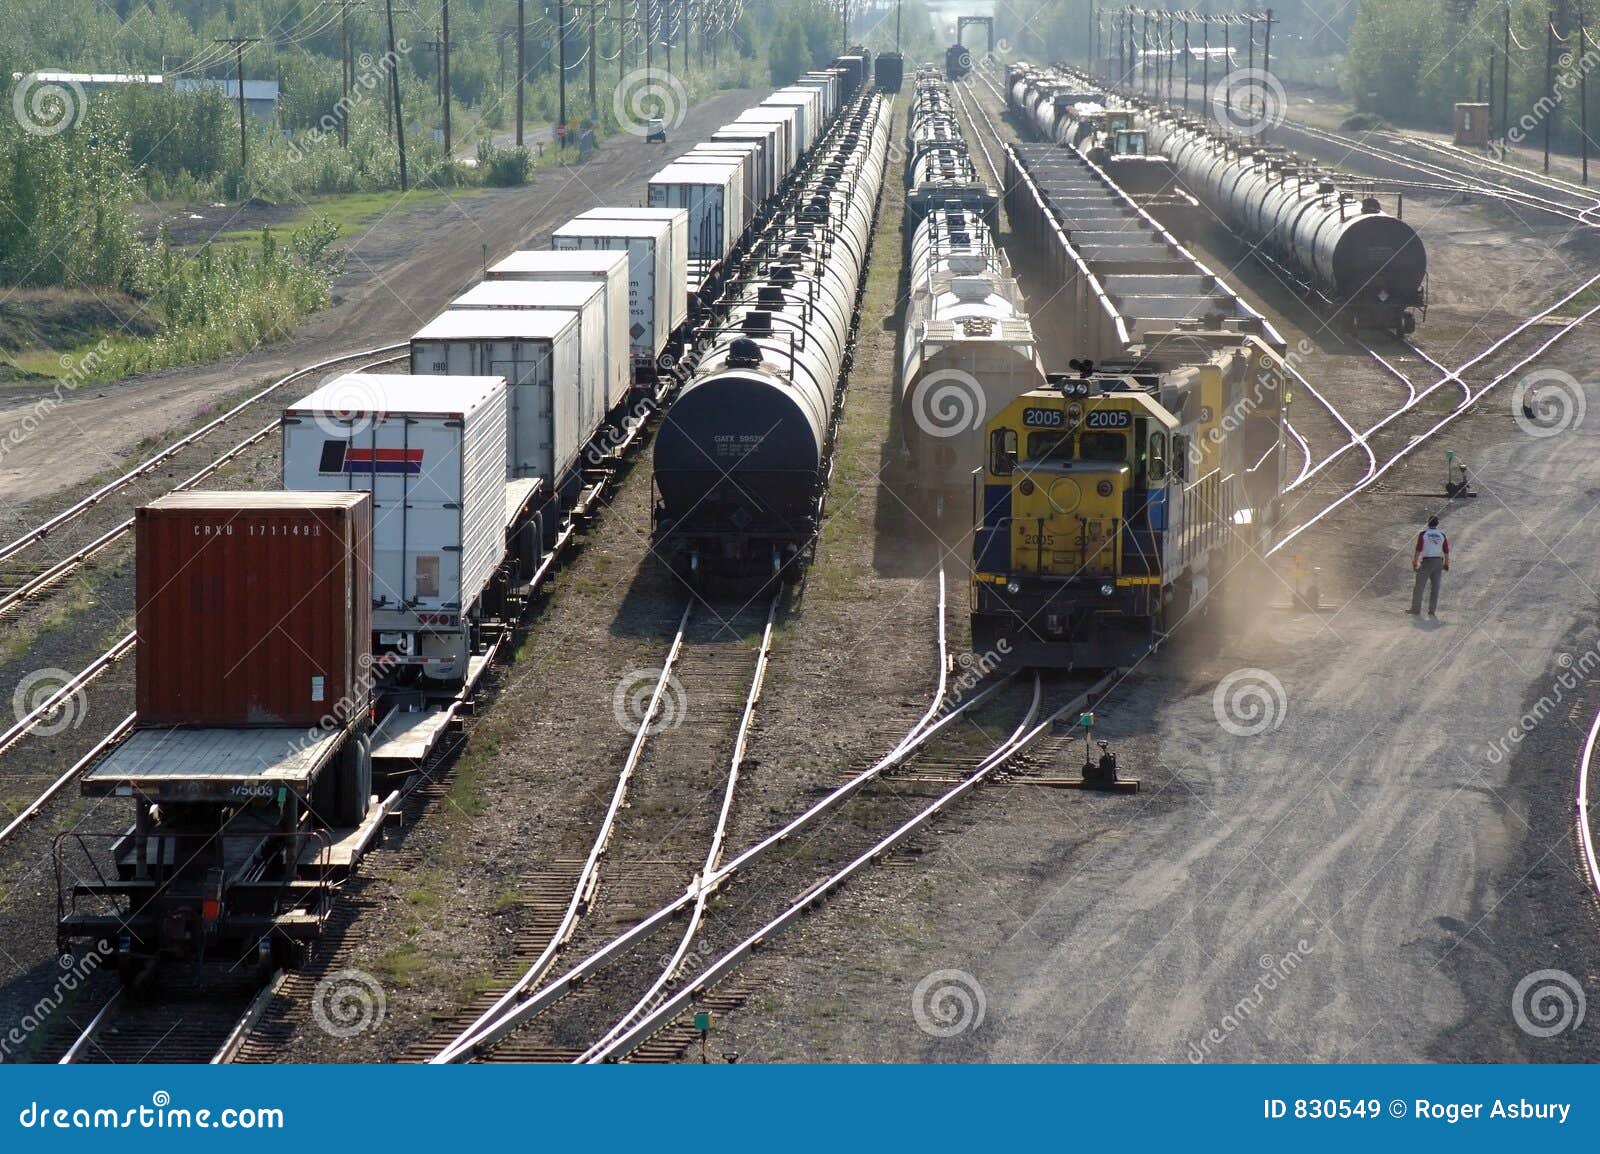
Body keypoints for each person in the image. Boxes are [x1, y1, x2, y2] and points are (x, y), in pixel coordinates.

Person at [1409, 515, 1450, 618]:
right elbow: (1446, 551)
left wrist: (1415, 563)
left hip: (1427, 561)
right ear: (1437, 523)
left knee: (1419, 586)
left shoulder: (1424, 534)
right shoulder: (1442, 535)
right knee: (1435, 587)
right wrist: (1446, 563)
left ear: (1428, 522)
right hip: (1438, 561)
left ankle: (1415, 609)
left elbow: (1418, 549)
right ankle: (1432, 611)